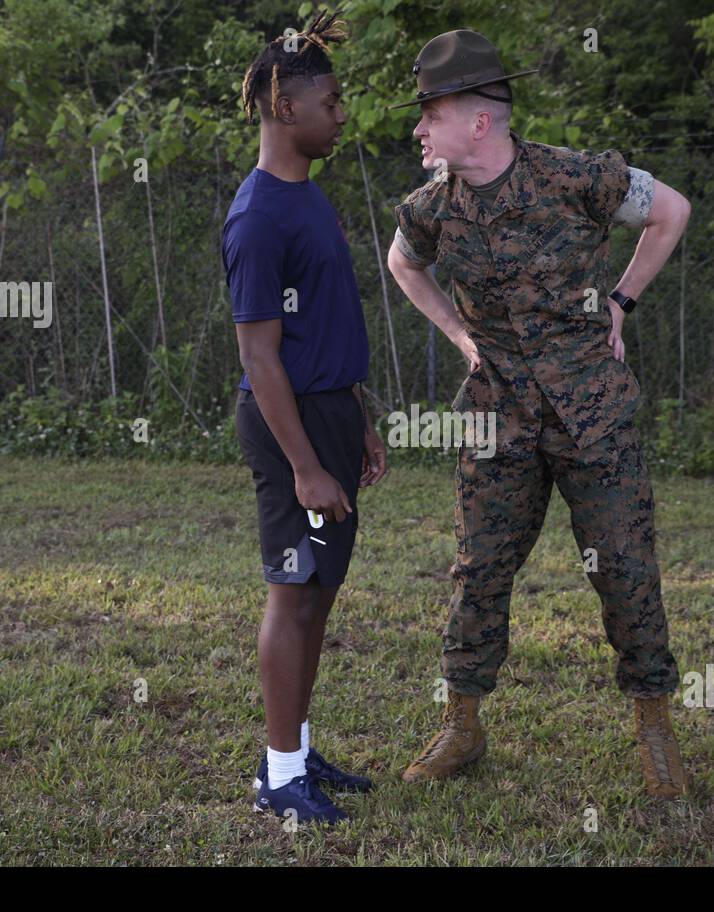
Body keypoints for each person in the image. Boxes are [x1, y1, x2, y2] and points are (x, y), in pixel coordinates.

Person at [386, 29, 693, 799]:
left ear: (478, 120)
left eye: (430, 114)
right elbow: (400, 264)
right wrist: (459, 335)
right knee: (479, 571)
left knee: (625, 569)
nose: (419, 129)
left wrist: (622, 300)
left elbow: (673, 212)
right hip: (498, 419)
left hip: (594, 412)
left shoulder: (575, 177)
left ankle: (655, 731)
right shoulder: (429, 208)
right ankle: (462, 725)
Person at [223, 11, 386, 825]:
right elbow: (260, 358)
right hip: (287, 430)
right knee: (291, 592)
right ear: (287, 106)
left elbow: (323, 325)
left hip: (328, 416)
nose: (341, 114)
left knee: (318, 591)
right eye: (331, 101)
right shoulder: (258, 217)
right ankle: (279, 780)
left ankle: (296, 747)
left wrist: (355, 418)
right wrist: (306, 466)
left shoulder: (309, 195)